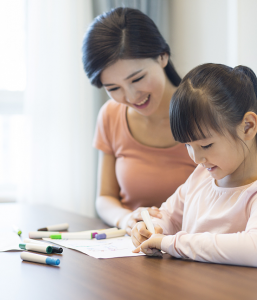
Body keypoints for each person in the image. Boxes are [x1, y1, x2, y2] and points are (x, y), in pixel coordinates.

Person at [131, 63, 257, 267]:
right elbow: (169, 215)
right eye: (188, 145)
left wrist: (173, 243)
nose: (196, 158)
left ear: (248, 127)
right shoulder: (202, 175)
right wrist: (153, 228)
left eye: (206, 145)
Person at [82, 7, 196, 233]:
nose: (131, 97)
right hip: (133, 250)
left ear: (162, 56)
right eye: (113, 88)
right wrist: (126, 219)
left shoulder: (206, 112)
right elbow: (105, 197)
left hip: (195, 248)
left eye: (137, 78)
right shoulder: (111, 115)